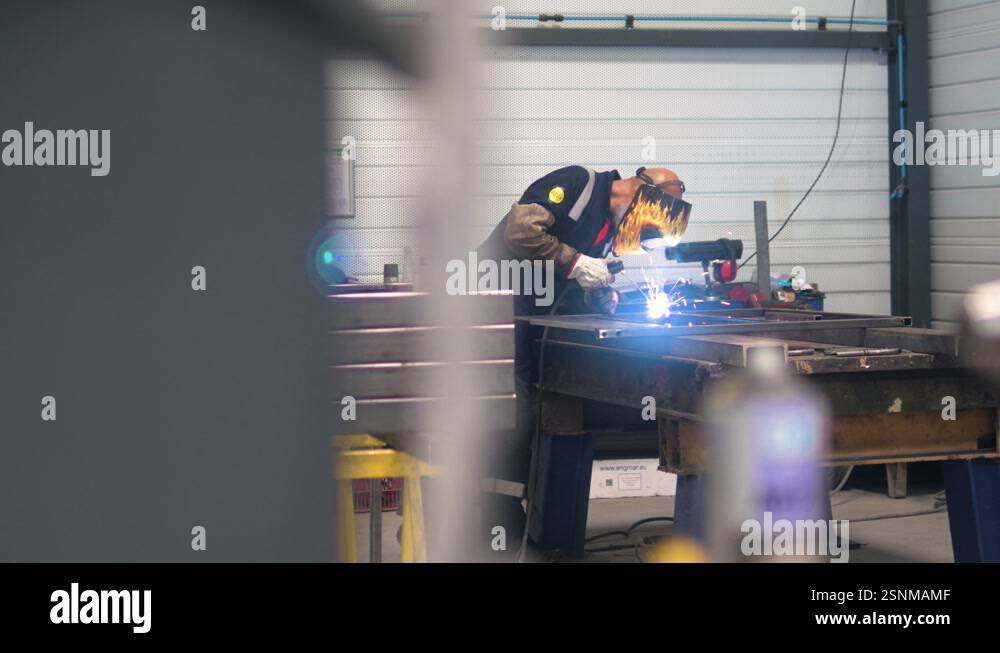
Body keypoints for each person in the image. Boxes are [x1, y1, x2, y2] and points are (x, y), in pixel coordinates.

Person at [476, 165, 689, 554]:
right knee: (511, 417)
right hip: (489, 313)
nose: (639, 241)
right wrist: (575, 262)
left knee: (530, 419)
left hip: (531, 324)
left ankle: (509, 520)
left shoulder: (607, 232)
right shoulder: (577, 185)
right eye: (646, 230)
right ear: (641, 197)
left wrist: (599, 293)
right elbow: (520, 231)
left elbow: (576, 278)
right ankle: (489, 520)